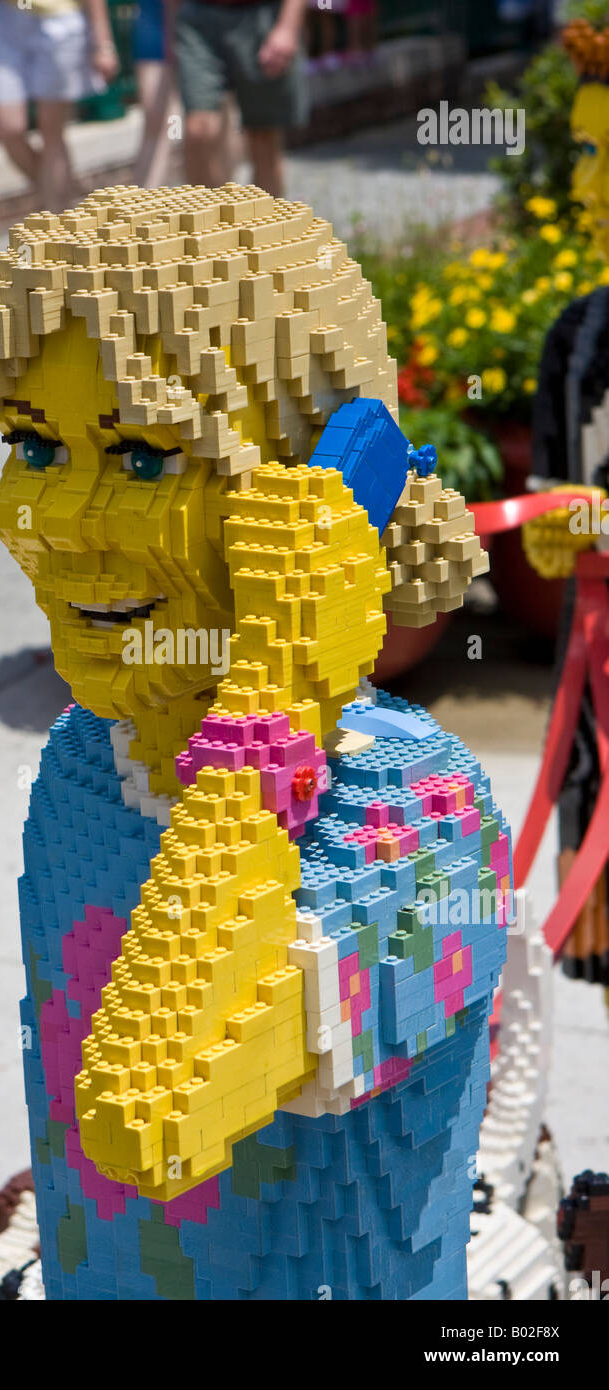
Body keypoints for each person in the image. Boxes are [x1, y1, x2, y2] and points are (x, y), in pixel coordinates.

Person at [0, 182, 505, 1300]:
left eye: (147, 456)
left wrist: (279, 683)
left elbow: (149, 1105)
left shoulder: (415, 811)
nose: (58, 521)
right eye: (33, 445)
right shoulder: (80, 767)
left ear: (316, 497)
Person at [527, 18, 609, 990]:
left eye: (605, 158)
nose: (583, 188)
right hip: (592, 697)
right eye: (582, 154)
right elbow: (546, 504)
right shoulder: (575, 337)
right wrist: (557, 525)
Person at [0, 0, 120, 211]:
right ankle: (59, 195)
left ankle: (55, 220)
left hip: (59, 21)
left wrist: (103, 43)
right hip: (7, 17)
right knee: (8, 129)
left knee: (51, 133)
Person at [174, 0, 308, 196]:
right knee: (198, 130)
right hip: (198, 16)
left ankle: (266, 223)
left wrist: (287, 27)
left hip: (260, 15)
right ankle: (208, 221)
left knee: (263, 137)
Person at [133, 0, 176, 188]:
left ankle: (224, 196)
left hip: (203, 15)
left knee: (211, 121)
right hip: (154, 18)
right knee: (156, 119)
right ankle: (145, 201)